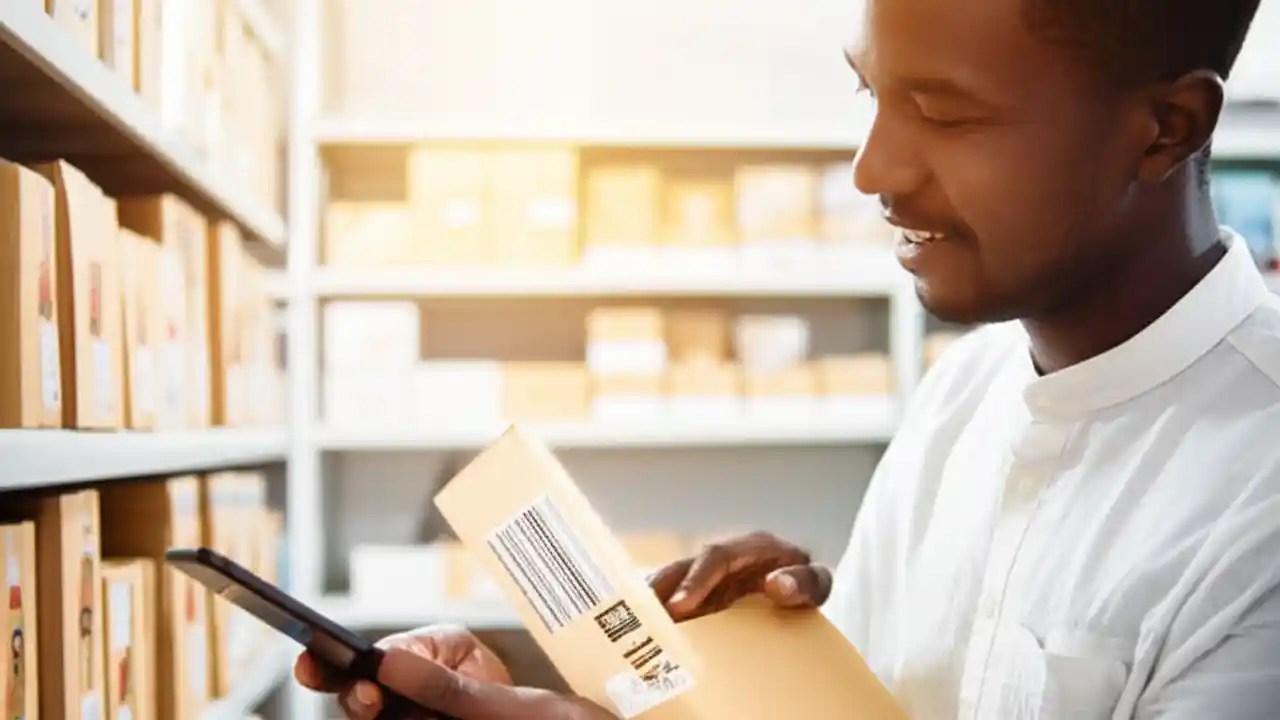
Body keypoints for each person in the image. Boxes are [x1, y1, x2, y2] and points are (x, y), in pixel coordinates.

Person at [297, 0, 1280, 716]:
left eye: (943, 114)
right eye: (871, 96)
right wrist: (755, 678)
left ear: (1165, 130)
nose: (873, 171)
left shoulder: (1260, 491)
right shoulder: (963, 395)